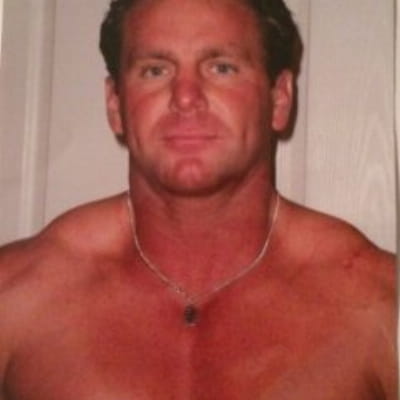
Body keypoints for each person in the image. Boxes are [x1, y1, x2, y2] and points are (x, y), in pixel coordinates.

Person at [0, 0, 396, 398]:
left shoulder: (377, 305)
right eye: (155, 70)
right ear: (115, 104)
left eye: (221, 67)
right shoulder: (18, 295)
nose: (186, 97)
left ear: (279, 99)